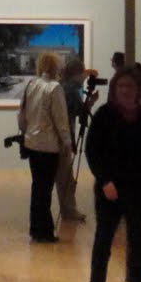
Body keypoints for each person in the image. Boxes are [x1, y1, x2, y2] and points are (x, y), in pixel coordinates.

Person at [84, 72, 141, 282]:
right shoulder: (104, 115)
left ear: (138, 89)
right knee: (104, 242)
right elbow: (92, 151)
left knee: (139, 245)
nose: (126, 90)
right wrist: (104, 179)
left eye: (130, 86)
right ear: (114, 88)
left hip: (137, 188)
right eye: (121, 86)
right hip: (110, 190)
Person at [17, 51, 72, 243]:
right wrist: (66, 142)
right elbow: (61, 119)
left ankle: (36, 227)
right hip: (48, 146)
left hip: (32, 143)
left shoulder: (32, 84)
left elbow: (22, 114)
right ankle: (45, 231)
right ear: (55, 67)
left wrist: (24, 132)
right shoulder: (55, 88)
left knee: (37, 187)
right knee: (45, 188)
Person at [56, 58, 92, 224]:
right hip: (64, 138)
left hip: (60, 137)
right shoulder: (70, 89)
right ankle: (69, 210)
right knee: (65, 177)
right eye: (82, 74)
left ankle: (68, 209)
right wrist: (90, 103)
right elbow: (79, 111)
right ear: (77, 73)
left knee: (64, 176)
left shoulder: (62, 86)